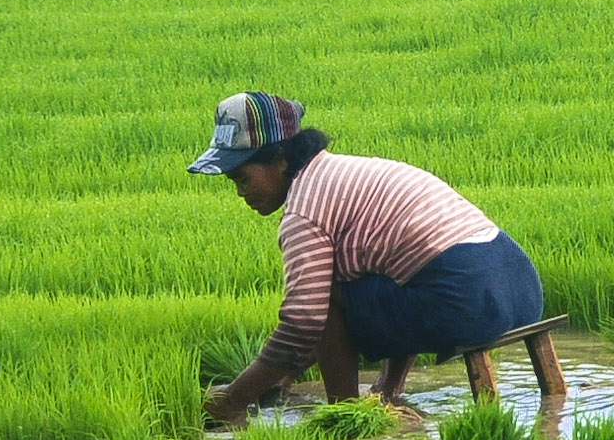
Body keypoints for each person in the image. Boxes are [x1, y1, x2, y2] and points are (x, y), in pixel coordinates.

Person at [195, 91, 544, 420]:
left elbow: (303, 324)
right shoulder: (345, 171)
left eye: (242, 178)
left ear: (280, 159)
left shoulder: (304, 211)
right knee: (373, 278)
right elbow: (398, 269)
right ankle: (388, 389)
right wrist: (284, 374)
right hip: (522, 289)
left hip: (466, 300)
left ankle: (346, 412)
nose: (241, 193)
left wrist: (234, 400)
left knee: (327, 298)